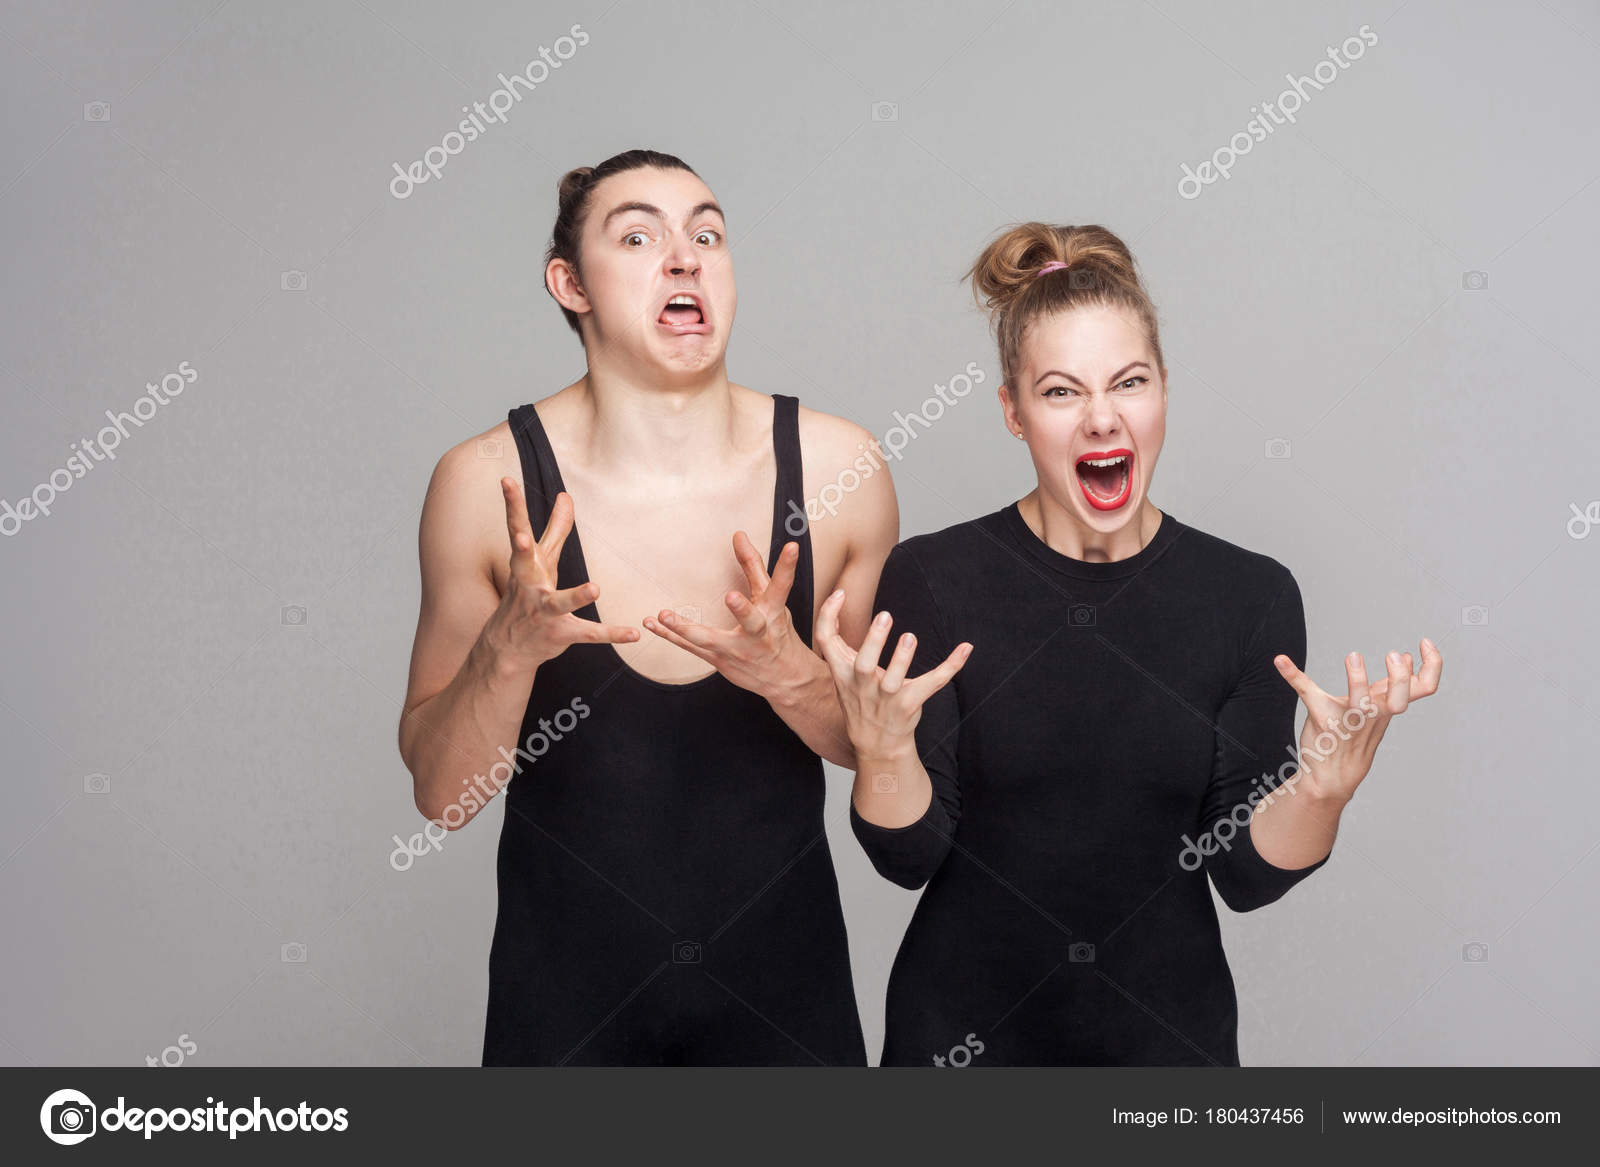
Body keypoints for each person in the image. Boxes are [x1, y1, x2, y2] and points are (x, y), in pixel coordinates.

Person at [815, 222, 1443, 1066]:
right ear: (1013, 410)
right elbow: (906, 855)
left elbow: (1247, 877)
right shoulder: (934, 579)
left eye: (1129, 382)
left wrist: (1324, 787)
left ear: (1164, 391)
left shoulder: (1249, 596)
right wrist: (886, 748)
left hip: (1167, 1056)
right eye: (1062, 391)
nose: (1102, 418)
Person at [398, 149, 896, 1065]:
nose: (685, 257)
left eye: (707, 233)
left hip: (787, 1018)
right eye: (639, 236)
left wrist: (790, 676)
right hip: (564, 1024)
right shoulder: (484, 485)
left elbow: (881, 759)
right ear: (570, 284)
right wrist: (507, 652)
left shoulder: (839, 472)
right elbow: (442, 794)